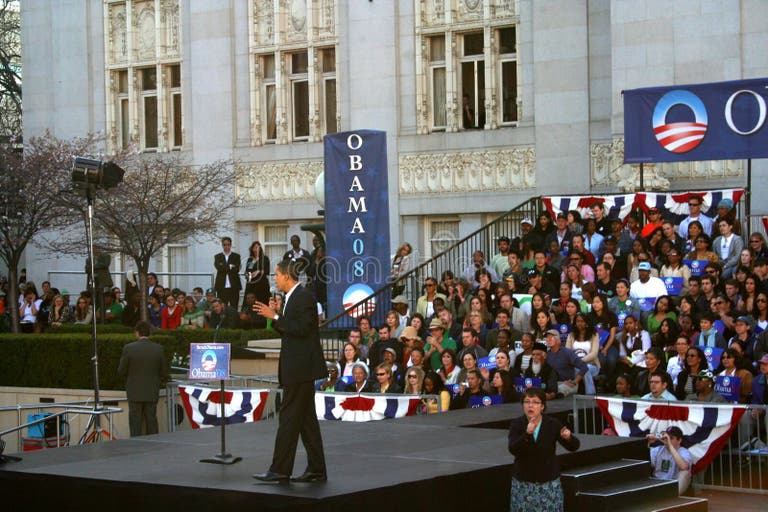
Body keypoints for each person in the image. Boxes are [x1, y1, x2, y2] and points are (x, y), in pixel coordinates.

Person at [252, 259, 327, 483]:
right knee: (306, 422)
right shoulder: (291, 298)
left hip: (301, 370)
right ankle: (316, 469)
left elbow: (303, 329)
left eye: (276, 274)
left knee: (288, 419)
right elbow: (290, 329)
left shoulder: (303, 297)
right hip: (297, 369)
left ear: (286, 276)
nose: (274, 279)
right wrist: (276, 315)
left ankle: (280, 469)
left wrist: (274, 316)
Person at [508, 387, 580, 511]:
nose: (530, 405)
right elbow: (513, 448)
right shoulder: (517, 424)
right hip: (524, 483)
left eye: (535, 402)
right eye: (527, 402)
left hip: (548, 482)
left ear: (542, 406)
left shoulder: (552, 424)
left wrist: (568, 437)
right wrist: (527, 434)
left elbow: (574, 446)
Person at [117, 321, 169, 436]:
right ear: (149, 333)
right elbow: (164, 372)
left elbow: (121, 371)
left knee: (135, 422)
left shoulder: (129, 348)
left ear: (137, 333)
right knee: (151, 420)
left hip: (134, 391)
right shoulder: (158, 349)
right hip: (152, 390)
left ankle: (136, 447)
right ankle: (154, 445)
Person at [646, 426, 692, 495]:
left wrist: (670, 446)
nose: (667, 440)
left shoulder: (684, 452)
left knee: (685, 473)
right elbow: (646, 465)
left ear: (679, 440)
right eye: (666, 437)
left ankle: (672, 499)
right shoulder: (657, 450)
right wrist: (648, 443)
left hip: (674, 485)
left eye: (671, 438)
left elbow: (684, 467)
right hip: (658, 482)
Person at [214, 236, 242, 310]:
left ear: (231, 245)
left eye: (228, 244)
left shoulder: (236, 256)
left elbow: (237, 269)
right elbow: (219, 268)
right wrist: (230, 266)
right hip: (221, 286)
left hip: (234, 286)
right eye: (224, 244)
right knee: (222, 308)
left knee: (234, 307)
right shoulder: (217, 257)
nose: (226, 246)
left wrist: (224, 265)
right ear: (222, 245)